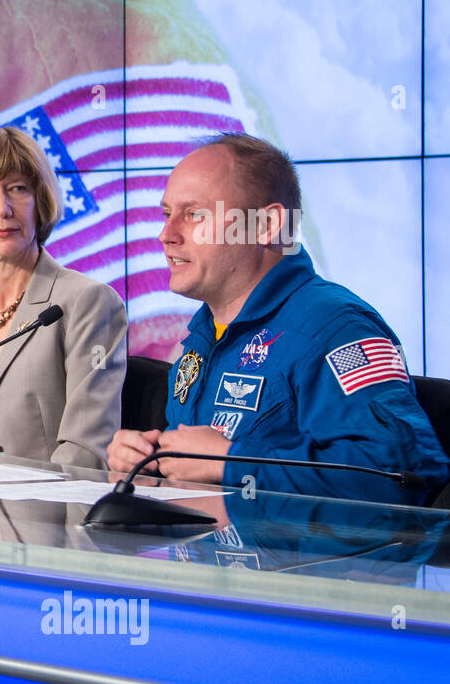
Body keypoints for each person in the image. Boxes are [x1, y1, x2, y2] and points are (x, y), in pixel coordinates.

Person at [107, 133, 448, 505]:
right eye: (166, 214)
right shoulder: (203, 338)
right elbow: (201, 482)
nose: (165, 235)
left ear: (267, 225)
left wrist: (232, 463)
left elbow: (404, 474)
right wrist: (150, 465)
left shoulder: (337, 329)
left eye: (194, 215)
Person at [0, 127, 127, 468]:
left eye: (18, 189)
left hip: (45, 514)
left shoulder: (88, 303)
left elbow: (85, 448)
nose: (1, 209)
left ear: (41, 201)